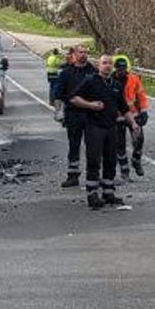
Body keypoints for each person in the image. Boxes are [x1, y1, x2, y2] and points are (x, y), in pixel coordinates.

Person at [69, 54, 139, 208]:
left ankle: (108, 192)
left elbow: (124, 108)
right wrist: (91, 105)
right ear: (98, 65)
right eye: (104, 63)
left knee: (111, 161)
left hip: (111, 127)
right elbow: (74, 98)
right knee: (94, 160)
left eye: (109, 64)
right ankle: (92, 194)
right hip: (94, 127)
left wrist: (133, 124)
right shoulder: (90, 81)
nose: (107, 66)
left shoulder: (116, 84)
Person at [52, 45, 96, 187]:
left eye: (85, 52)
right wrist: (58, 111)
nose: (83, 55)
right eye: (80, 52)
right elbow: (58, 93)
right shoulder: (66, 73)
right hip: (73, 114)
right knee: (74, 145)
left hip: (91, 114)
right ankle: (73, 175)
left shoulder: (93, 72)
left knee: (93, 145)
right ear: (74, 55)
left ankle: (94, 174)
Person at [112, 55, 149, 180]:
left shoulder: (133, 79)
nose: (121, 71)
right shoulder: (110, 81)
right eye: (119, 69)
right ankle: (124, 169)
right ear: (115, 69)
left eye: (123, 69)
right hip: (117, 117)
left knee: (139, 140)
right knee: (119, 144)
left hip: (133, 115)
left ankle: (136, 160)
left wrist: (143, 111)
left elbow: (141, 95)